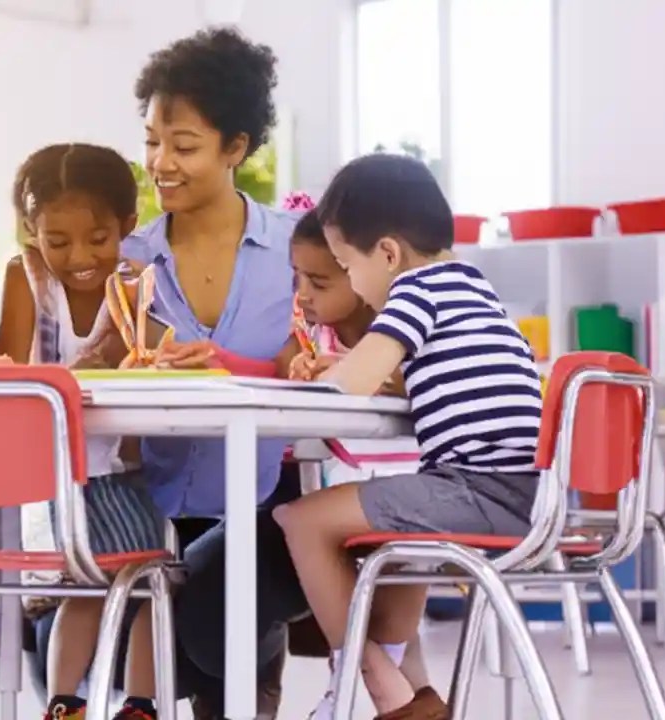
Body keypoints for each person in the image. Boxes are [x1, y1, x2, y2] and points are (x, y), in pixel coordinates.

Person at [275, 154, 543, 720]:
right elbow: (406, 374)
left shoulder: (414, 291)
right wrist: (338, 366)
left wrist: (328, 372)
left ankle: (376, 685)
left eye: (347, 265)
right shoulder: (473, 288)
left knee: (300, 519)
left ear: (389, 254)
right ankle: (391, 684)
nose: (351, 281)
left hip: (478, 490)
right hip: (527, 495)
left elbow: (354, 385)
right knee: (379, 544)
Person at [123, 27, 309, 719]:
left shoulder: (297, 249)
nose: (160, 163)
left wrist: (270, 363)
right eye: (151, 141)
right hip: (154, 504)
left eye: (184, 146)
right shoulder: (129, 261)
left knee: (227, 662)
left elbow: (318, 357)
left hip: (264, 499)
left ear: (236, 148)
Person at [0, 143, 168, 720]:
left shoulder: (139, 279)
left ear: (127, 224)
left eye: (98, 238)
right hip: (62, 463)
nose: (79, 257)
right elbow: (9, 372)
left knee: (127, 582)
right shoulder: (26, 278)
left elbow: (133, 356)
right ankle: (88, 702)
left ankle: (113, 703)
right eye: (57, 240)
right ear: (32, 231)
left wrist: (93, 363)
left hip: (128, 461)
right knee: (134, 579)